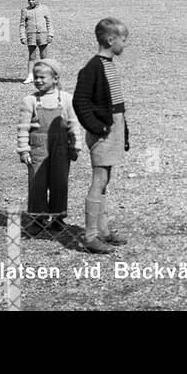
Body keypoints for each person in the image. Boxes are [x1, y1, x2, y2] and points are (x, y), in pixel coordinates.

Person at [72, 18, 132, 254]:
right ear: (110, 40)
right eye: (123, 40)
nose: (124, 45)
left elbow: (116, 104)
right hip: (103, 132)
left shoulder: (109, 64)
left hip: (113, 128)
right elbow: (80, 102)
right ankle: (90, 236)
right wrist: (97, 127)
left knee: (105, 180)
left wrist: (122, 131)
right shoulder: (92, 68)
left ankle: (103, 230)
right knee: (99, 180)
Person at [17, 58, 79, 236]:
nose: (38, 81)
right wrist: (23, 149)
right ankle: (38, 219)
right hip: (37, 148)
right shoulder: (29, 101)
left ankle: (58, 218)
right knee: (37, 183)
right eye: (36, 77)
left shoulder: (66, 99)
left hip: (61, 149)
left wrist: (76, 146)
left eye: (42, 77)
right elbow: (22, 128)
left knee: (60, 182)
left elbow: (74, 125)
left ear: (55, 78)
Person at [19, 0, 55, 85]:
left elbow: (49, 22)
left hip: (43, 35)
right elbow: (22, 25)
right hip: (31, 36)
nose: (30, 2)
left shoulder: (44, 9)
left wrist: (50, 34)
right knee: (32, 56)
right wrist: (22, 36)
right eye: (29, 0)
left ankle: (45, 76)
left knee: (44, 57)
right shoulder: (25, 10)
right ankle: (30, 76)